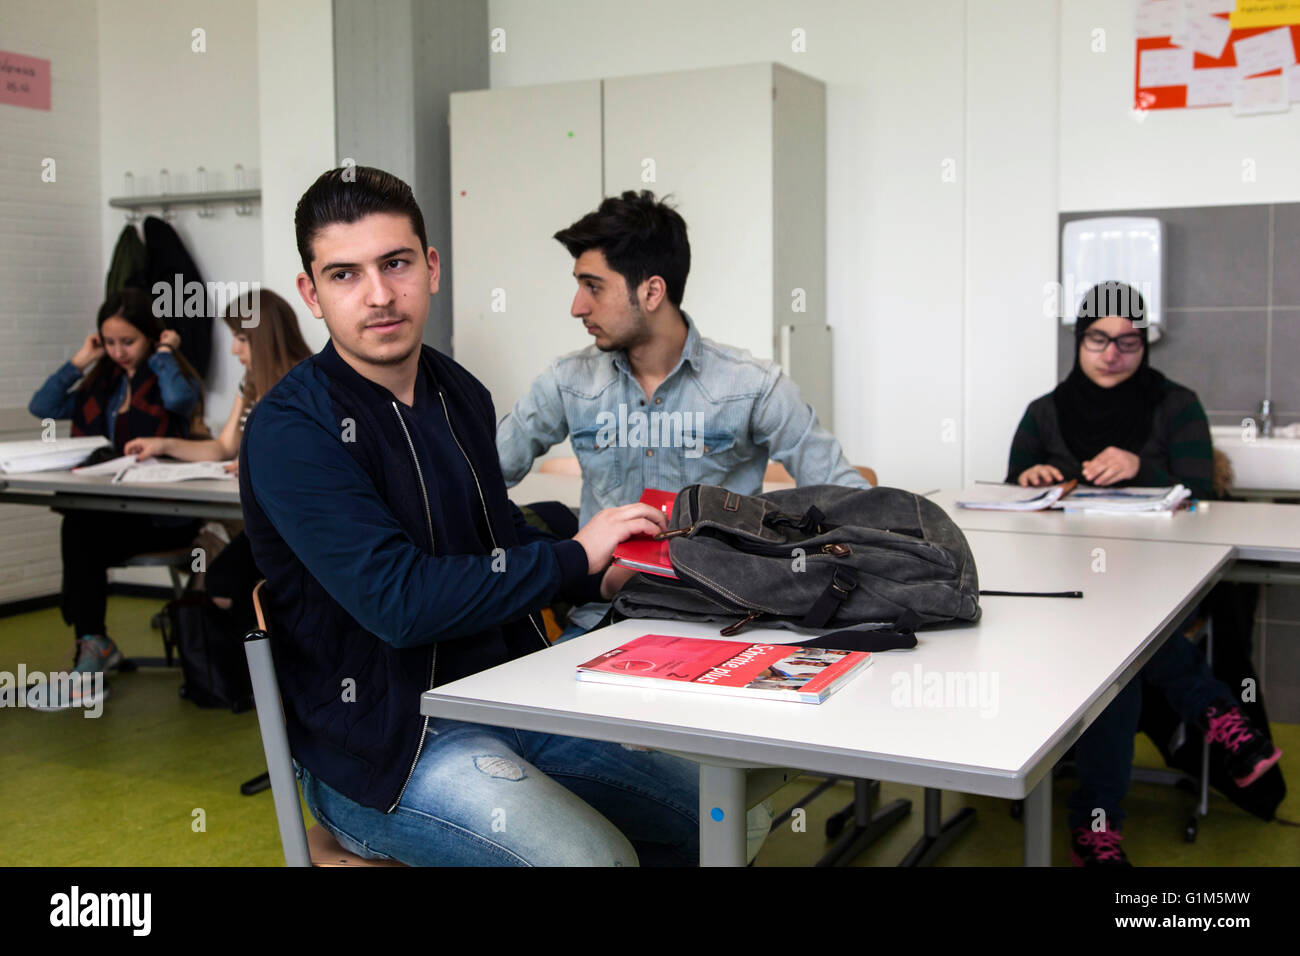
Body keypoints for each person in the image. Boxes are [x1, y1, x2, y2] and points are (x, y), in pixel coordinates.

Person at [241, 165, 770, 866]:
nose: (377, 295)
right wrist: (571, 557)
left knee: (731, 819)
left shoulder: (457, 391)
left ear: (430, 268)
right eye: (344, 275)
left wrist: (595, 578)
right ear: (311, 292)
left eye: (395, 263)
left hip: (510, 697)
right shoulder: (292, 432)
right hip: (388, 750)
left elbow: (496, 531)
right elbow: (398, 603)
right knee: (594, 862)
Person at [497, 190, 869, 634]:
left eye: (593, 286)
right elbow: (480, 480)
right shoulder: (566, 382)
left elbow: (850, 501)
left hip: (725, 619)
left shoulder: (751, 386)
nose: (577, 306)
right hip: (608, 617)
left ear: (652, 291)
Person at [1005, 281, 1282, 865]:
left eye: (1128, 342)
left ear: (1145, 346)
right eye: (1098, 339)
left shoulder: (1175, 404)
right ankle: (1218, 715)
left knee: (1123, 647)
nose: (1111, 354)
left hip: (1159, 580)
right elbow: (1011, 495)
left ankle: (1095, 826)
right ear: (1078, 341)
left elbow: (1204, 494)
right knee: (1122, 641)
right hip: (1064, 582)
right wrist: (1029, 482)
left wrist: (1142, 465)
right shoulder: (1045, 412)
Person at [28, 288, 206, 707]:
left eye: (129, 341)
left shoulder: (168, 375)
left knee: (80, 533)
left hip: (163, 515)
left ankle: (93, 645)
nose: (118, 351)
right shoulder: (100, 383)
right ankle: (93, 640)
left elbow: (182, 400)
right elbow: (43, 406)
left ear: (151, 336)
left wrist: (163, 354)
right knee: (80, 526)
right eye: (109, 342)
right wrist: (79, 362)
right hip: (109, 512)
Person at [125, 289, 313, 632]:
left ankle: (249, 673)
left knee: (226, 581)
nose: (233, 349)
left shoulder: (311, 382)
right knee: (221, 579)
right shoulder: (252, 384)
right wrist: (162, 444)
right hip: (258, 517)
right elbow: (224, 447)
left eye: (241, 338)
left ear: (264, 333)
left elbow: (315, 458)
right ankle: (228, 670)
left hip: (295, 525)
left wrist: (261, 465)